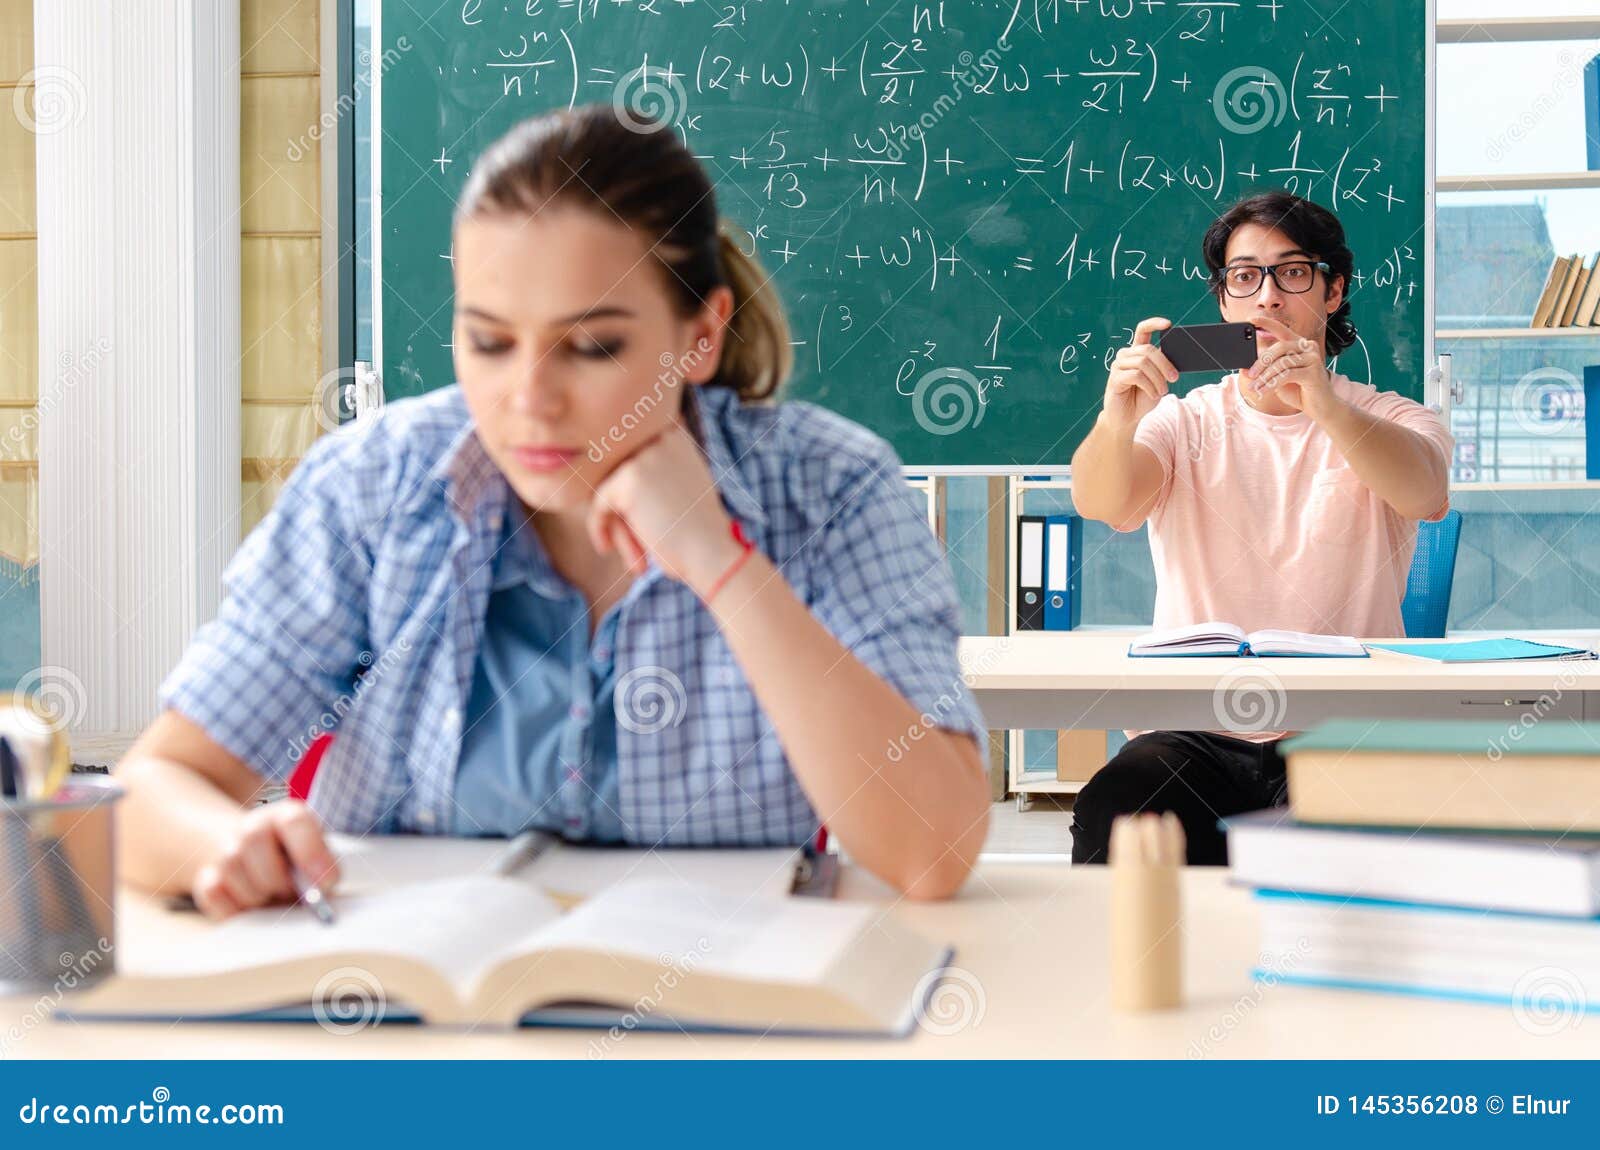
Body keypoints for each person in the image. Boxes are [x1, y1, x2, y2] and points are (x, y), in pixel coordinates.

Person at [115, 104, 990, 916]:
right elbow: (152, 790)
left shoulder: (832, 488)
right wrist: (220, 844)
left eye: (593, 346)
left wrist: (722, 562)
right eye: (489, 341)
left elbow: (933, 851)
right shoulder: (370, 487)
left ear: (700, 336)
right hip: (412, 1006)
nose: (530, 398)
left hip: (725, 1004)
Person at [1068, 190, 1452, 865]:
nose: (1268, 297)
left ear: (1333, 291)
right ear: (1224, 301)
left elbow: (1426, 494)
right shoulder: (1183, 421)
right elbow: (1103, 502)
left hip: (1343, 728)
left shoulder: (1394, 417)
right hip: (1193, 727)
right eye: (1245, 277)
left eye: (1292, 272)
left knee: (1369, 840)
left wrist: (1323, 406)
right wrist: (1117, 419)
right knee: (1118, 807)